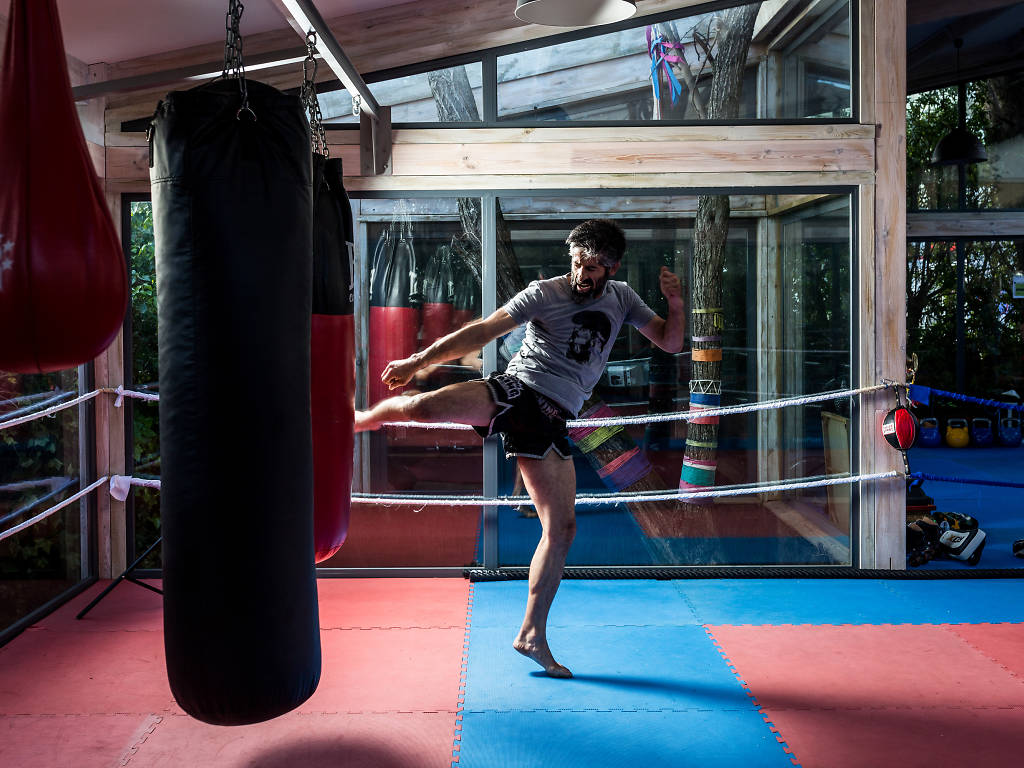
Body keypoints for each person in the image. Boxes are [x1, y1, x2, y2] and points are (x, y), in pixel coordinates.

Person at [355, 219, 684, 677]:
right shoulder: (546, 292)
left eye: (590, 268)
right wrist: (418, 359)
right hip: (519, 391)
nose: (580, 275)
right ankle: (355, 422)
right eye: (575, 263)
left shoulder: (623, 298)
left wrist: (676, 302)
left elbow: (670, 341)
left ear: (611, 267)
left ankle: (531, 634)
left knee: (563, 529)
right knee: (425, 409)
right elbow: (484, 331)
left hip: (552, 420)